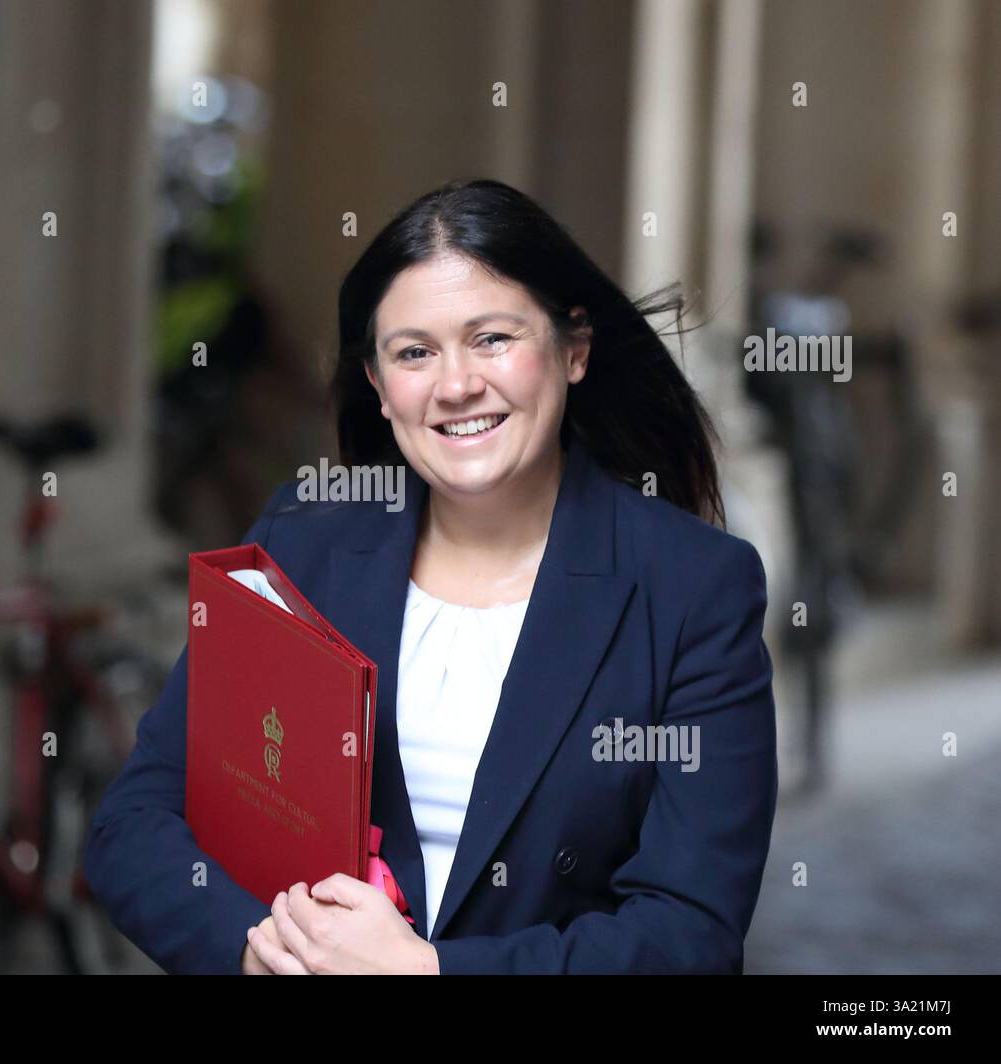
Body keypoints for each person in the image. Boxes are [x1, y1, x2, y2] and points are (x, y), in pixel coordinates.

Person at [84, 178, 777, 975]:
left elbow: (689, 934)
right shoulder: (301, 548)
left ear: (574, 349)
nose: (455, 385)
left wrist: (429, 975)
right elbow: (135, 823)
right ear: (378, 387)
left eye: (492, 339)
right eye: (414, 352)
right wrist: (257, 952)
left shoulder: (693, 589)